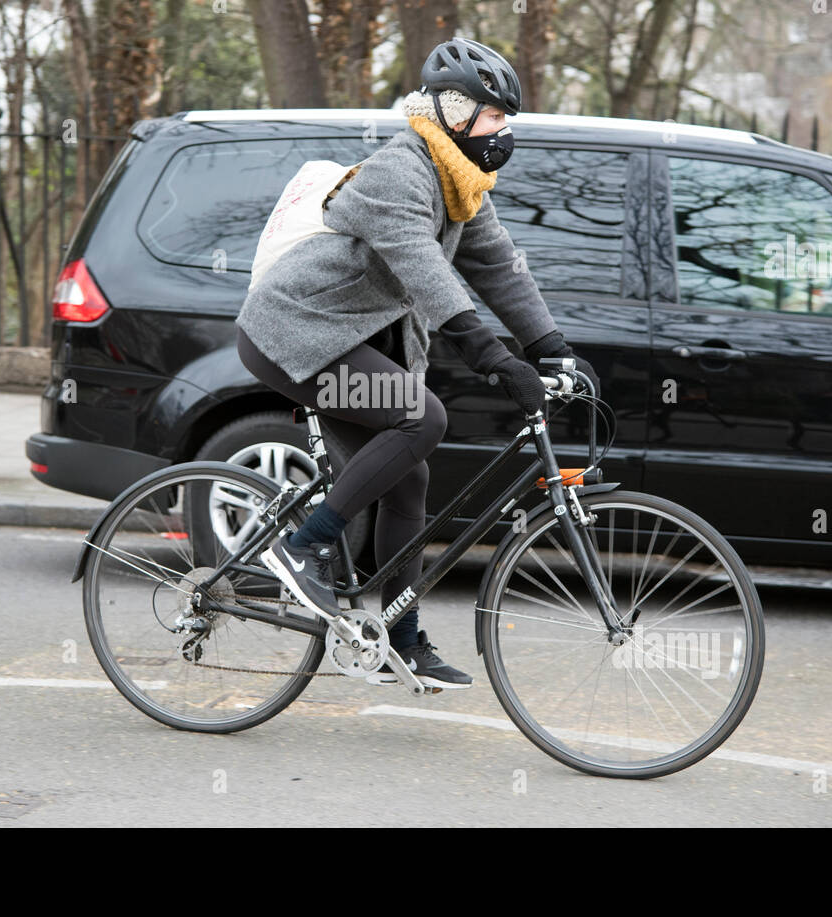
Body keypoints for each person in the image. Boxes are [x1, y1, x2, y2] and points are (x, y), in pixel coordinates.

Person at [235, 37, 596, 689]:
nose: (503, 132)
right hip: (290, 333)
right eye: (495, 118)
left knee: (409, 479)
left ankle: (398, 639)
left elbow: (499, 268)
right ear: (456, 113)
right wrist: (494, 357)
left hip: (341, 339)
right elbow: (427, 273)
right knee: (419, 417)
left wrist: (552, 347)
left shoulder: (459, 185)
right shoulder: (401, 170)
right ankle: (302, 547)